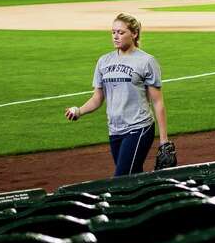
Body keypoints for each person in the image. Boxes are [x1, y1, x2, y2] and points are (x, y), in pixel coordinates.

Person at [64, 13, 169, 176]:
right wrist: (79, 111)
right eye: (113, 32)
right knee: (133, 176)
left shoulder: (146, 61)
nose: (115, 36)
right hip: (115, 130)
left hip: (139, 127)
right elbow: (97, 98)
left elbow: (158, 102)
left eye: (121, 32)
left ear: (134, 34)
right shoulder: (104, 61)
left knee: (121, 178)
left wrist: (163, 140)